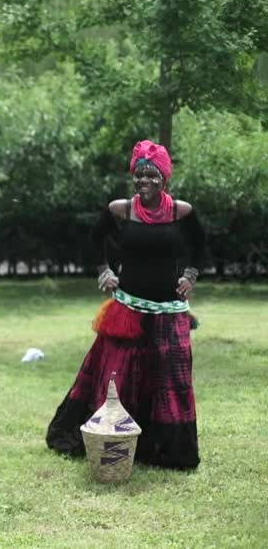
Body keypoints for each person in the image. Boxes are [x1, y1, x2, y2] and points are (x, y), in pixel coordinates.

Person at [46, 140, 206, 469]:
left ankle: (165, 450)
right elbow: (95, 240)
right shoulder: (120, 210)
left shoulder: (182, 212)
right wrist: (104, 271)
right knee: (117, 377)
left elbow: (200, 246)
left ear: (165, 179)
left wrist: (190, 275)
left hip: (168, 312)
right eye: (139, 174)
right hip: (127, 309)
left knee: (170, 380)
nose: (144, 180)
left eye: (152, 175)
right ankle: (111, 438)